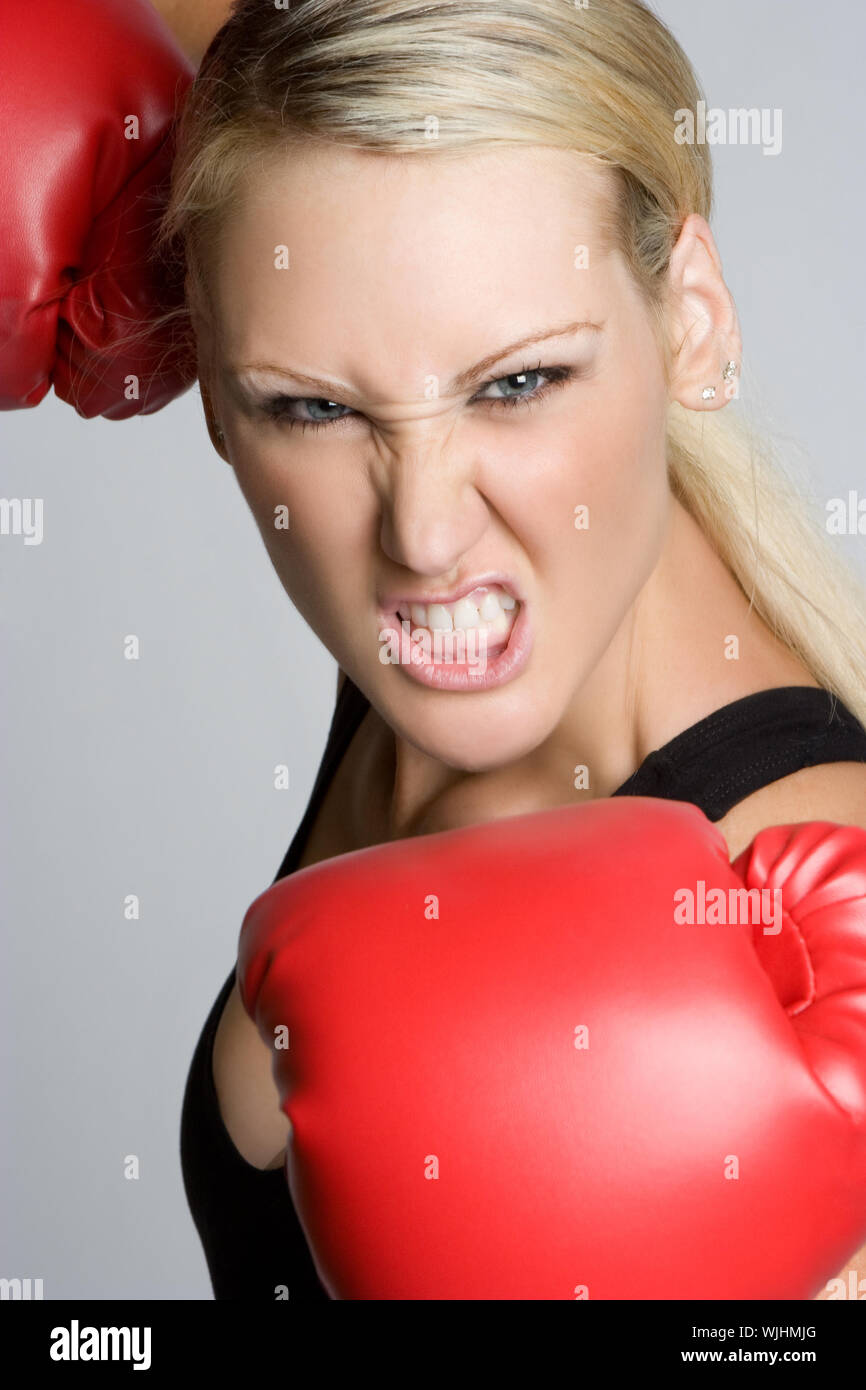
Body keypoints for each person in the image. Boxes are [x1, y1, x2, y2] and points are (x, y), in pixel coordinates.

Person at [160, 0, 866, 1298]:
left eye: (516, 383)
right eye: (312, 406)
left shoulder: (797, 921)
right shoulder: (459, 647)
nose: (423, 533)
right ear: (210, 385)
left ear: (690, 319)